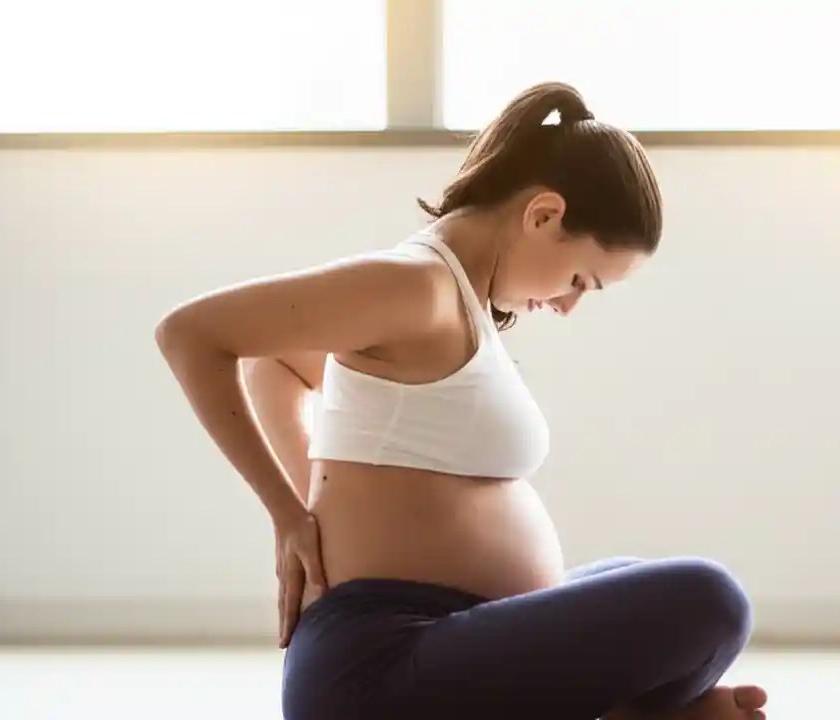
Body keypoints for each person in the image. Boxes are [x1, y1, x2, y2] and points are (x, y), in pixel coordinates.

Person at [155, 81, 768, 720]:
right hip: (381, 662)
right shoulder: (418, 286)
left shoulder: (458, 303)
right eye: (580, 279)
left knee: (633, 575)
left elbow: (278, 365)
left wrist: (315, 502)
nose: (567, 304)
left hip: (448, 641)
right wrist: (290, 517)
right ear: (543, 215)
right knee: (710, 600)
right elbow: (192, 335)